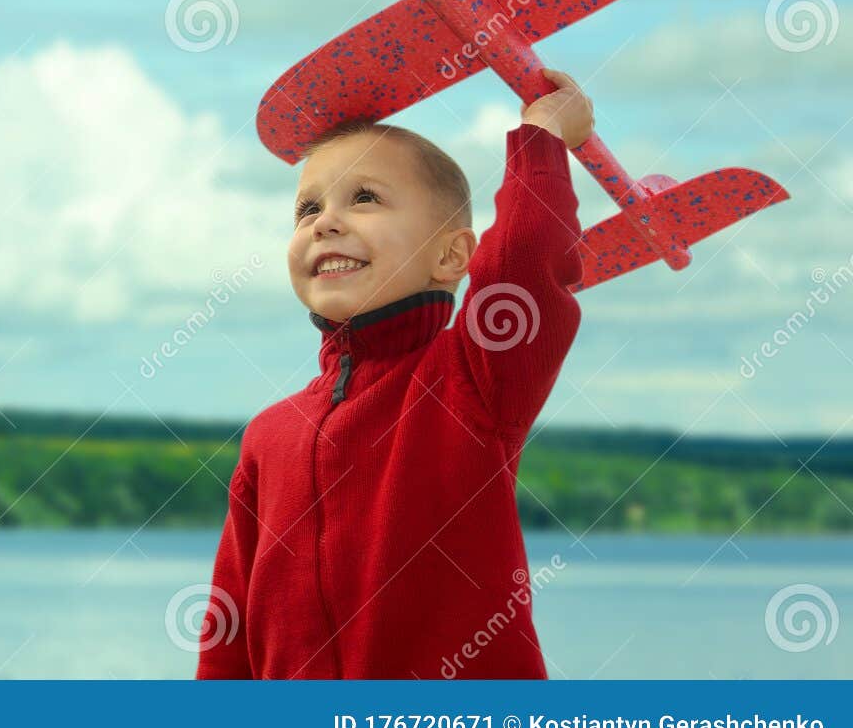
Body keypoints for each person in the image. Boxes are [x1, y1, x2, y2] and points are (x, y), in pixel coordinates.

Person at [196, 68, 593, 679]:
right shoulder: (268, 436)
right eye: (307, 208)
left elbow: (525, 261)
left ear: (451, 256)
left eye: (365, 198)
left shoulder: (473, 379)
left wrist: (543, 137)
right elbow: (228, 630)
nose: (324, 221)